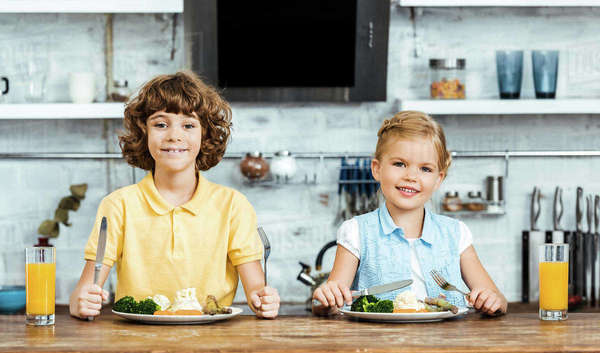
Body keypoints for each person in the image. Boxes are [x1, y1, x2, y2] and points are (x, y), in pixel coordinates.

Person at [70, 71, 279, 319]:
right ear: (143, 132)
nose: (174, 135)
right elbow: (81, 295)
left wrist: (264, 300)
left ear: (205, 134)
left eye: (189, 125)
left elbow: (256, 290)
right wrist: (81, 303)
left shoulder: (233, 206)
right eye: (160, 124)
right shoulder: (118, 205)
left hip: (215, 342)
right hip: (135, 342)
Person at [312, 111, 507, 316]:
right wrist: (326, 297)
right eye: (399, 164)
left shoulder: (456, 233)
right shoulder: (356, 232)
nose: (411, 176)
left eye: (425, 169)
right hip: (378, 344)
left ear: (438, 179)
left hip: (449, 344)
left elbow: (499, 300)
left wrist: (492, 300)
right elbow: (325, 304)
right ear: (376, 169)